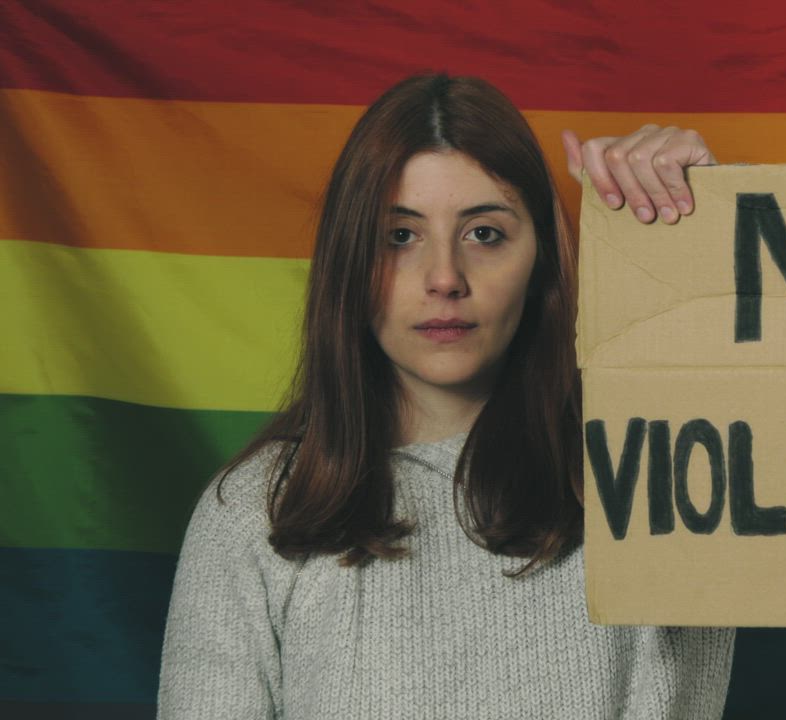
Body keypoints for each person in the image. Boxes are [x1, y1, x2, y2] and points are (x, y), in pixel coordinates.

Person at [156, 73, 733, 719]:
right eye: (399, 236)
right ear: (349, 261)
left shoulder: (659, 473)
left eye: (484, 233)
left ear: (542, 256)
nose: (444, 278)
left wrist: (709, 223)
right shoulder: (255, 513)